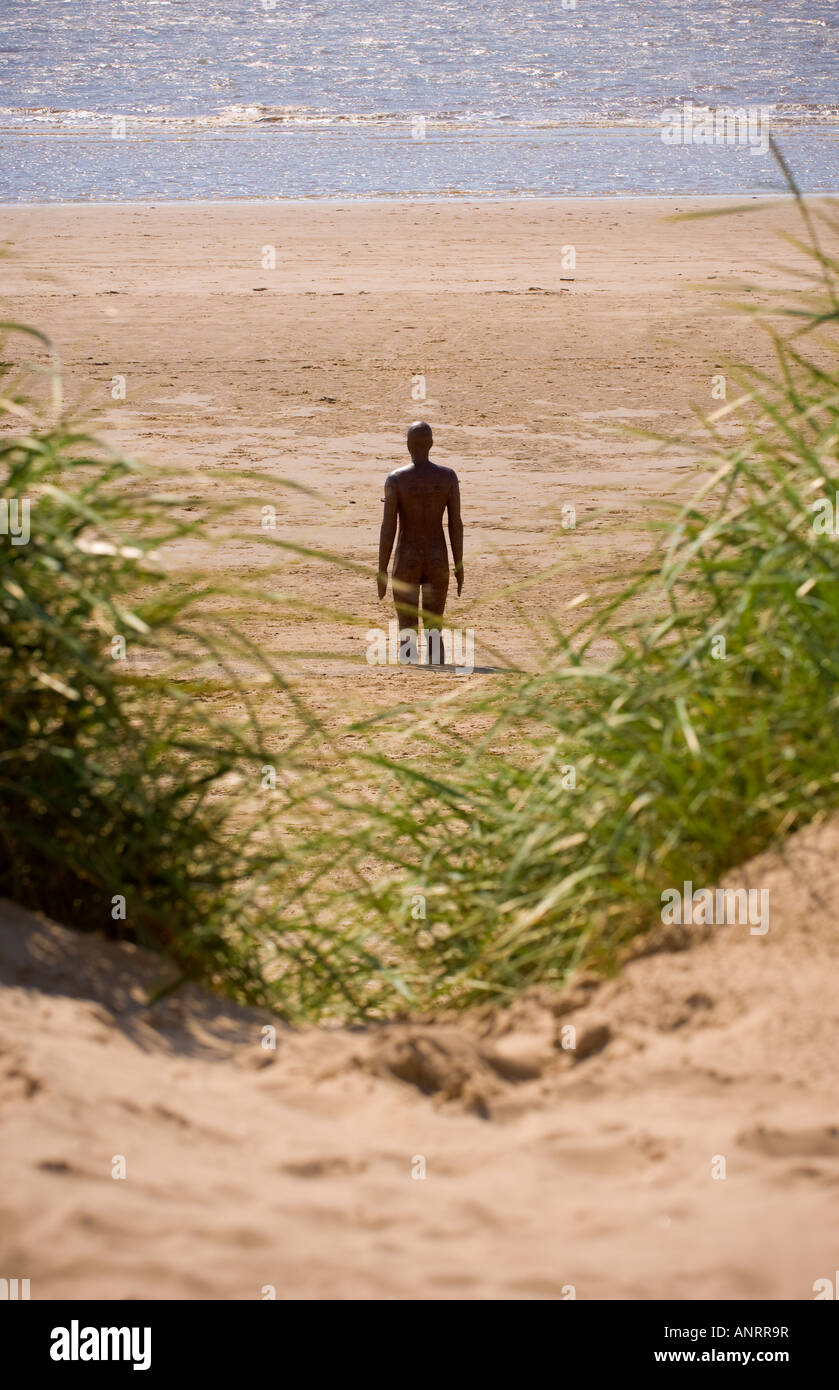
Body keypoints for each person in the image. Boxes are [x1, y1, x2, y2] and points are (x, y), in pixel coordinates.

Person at [377, 422, 463, 664]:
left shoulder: (396, 479)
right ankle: (437, 668)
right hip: (438, 556)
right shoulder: (448, 477)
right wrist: (459, 564)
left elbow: (389, 527)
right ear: (431, 444)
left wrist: (382, 569)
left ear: (408, 445)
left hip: (407, 556)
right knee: (435, 627)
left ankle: (410, 669)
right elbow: (455, 524)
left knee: (407, 628)